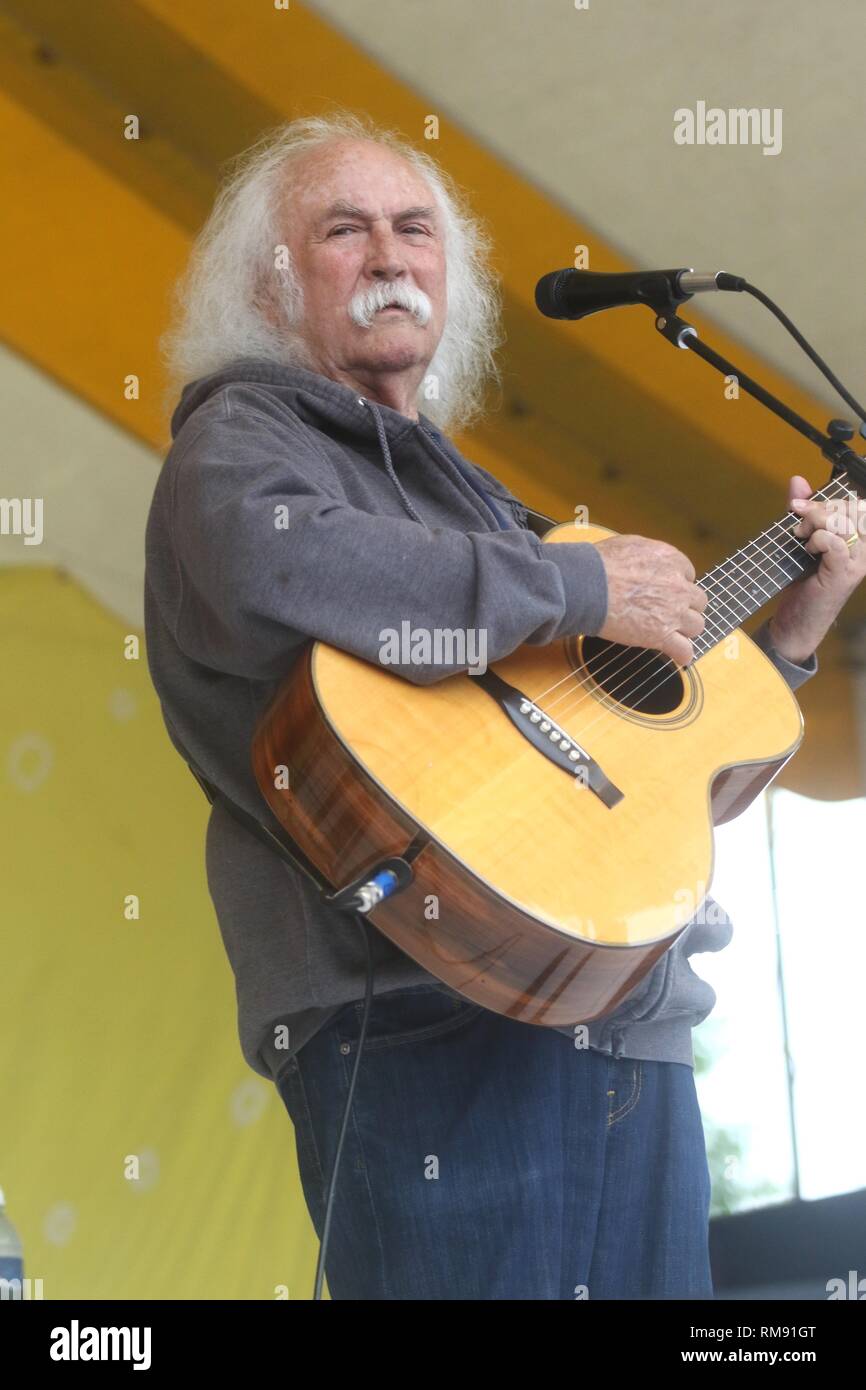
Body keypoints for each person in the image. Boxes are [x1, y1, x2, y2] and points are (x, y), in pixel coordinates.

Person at [144, 112, 865, 1299]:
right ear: (271, 282)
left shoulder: (473, 497)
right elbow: (283, 565)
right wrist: (580, 581)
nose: (390, 254)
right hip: (416, 1019)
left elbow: (616, 775)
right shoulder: (240, 442)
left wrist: (787, 632)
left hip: (622, 1019)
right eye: (345, 228)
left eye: (415, 228)